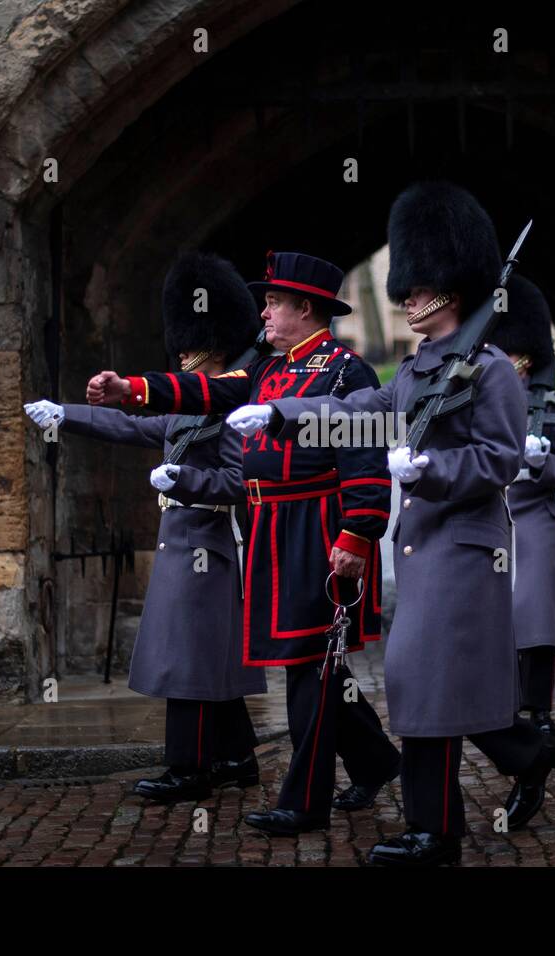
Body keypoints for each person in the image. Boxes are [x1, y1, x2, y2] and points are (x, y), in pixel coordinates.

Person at [228, 183, 555, 866]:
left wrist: (427, 471)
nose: (405, 298)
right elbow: (362, 407)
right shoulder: (415, 372)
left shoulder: (492, 370)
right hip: (423, 549)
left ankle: (434, 832)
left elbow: (500, 461)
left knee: (423, 680)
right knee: (432, 682)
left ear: (448, 290)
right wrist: (283, 414)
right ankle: (528, 753)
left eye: (415, 290)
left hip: (468, 552)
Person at [85, 251, 401, 834]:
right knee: (317, 667)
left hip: (319, 527)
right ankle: (376, 759)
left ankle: (303, 803)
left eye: (275, 302)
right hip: (270, 531)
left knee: (310, 669)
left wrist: (358, 532)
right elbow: (204, 392)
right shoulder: (264, 371)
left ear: (305, 309)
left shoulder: (346, 371)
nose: (265, 312)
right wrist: (131, 387)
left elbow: (365, 456)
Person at [23, 252, 266, 801]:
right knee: (205, 657)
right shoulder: (186, 406)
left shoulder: (230, 404)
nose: (181, 353)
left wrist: (182, 481)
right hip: (184, 543)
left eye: (190, 345)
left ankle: (189, 768)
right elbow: (129, 424)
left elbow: (237, 481)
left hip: (210, 545)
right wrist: (66, 414)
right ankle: (236, 758)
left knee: (189, 662)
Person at [488, 276, 555, 738]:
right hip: (491, 512)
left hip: (535, 512)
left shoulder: (553, 405)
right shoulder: (478, 401)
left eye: (516, 360)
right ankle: (497, 700)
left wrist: (543, 464)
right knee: (491, 610)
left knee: (536, 611)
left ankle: (537, 705)